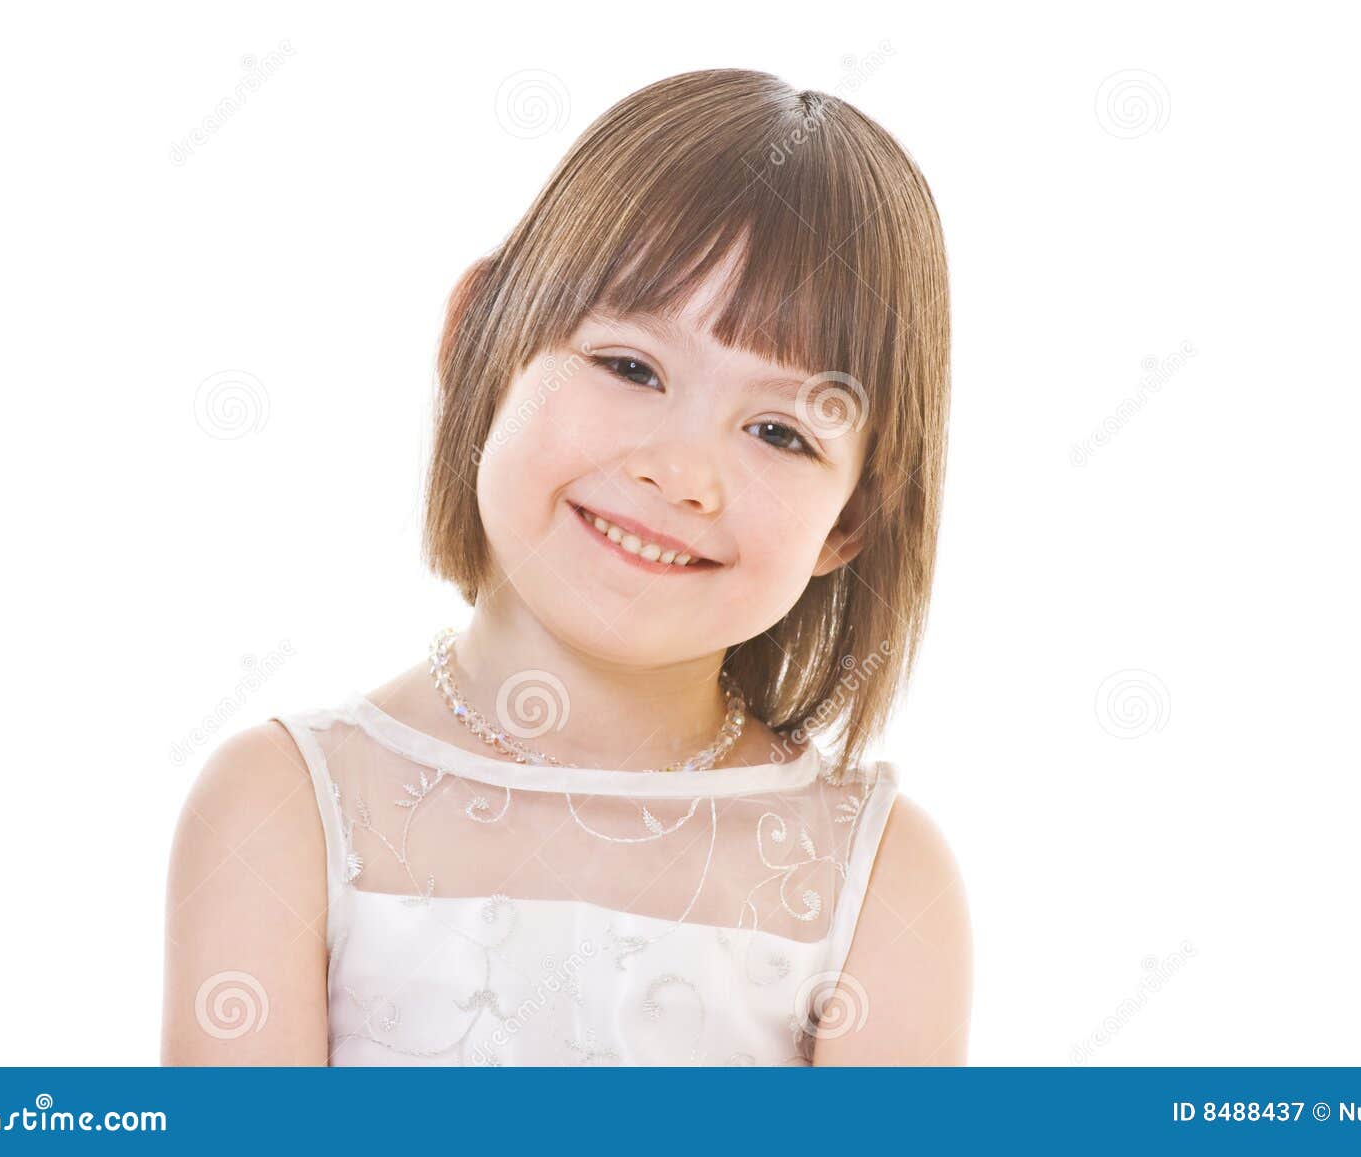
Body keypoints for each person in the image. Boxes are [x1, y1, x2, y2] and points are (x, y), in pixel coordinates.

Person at [162, 67, 970, 1066]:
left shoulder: (877, 876)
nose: (680, 473)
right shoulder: (283, 806)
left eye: (779, 430)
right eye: (631, 367)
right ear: (480, 339)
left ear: (850, 523)